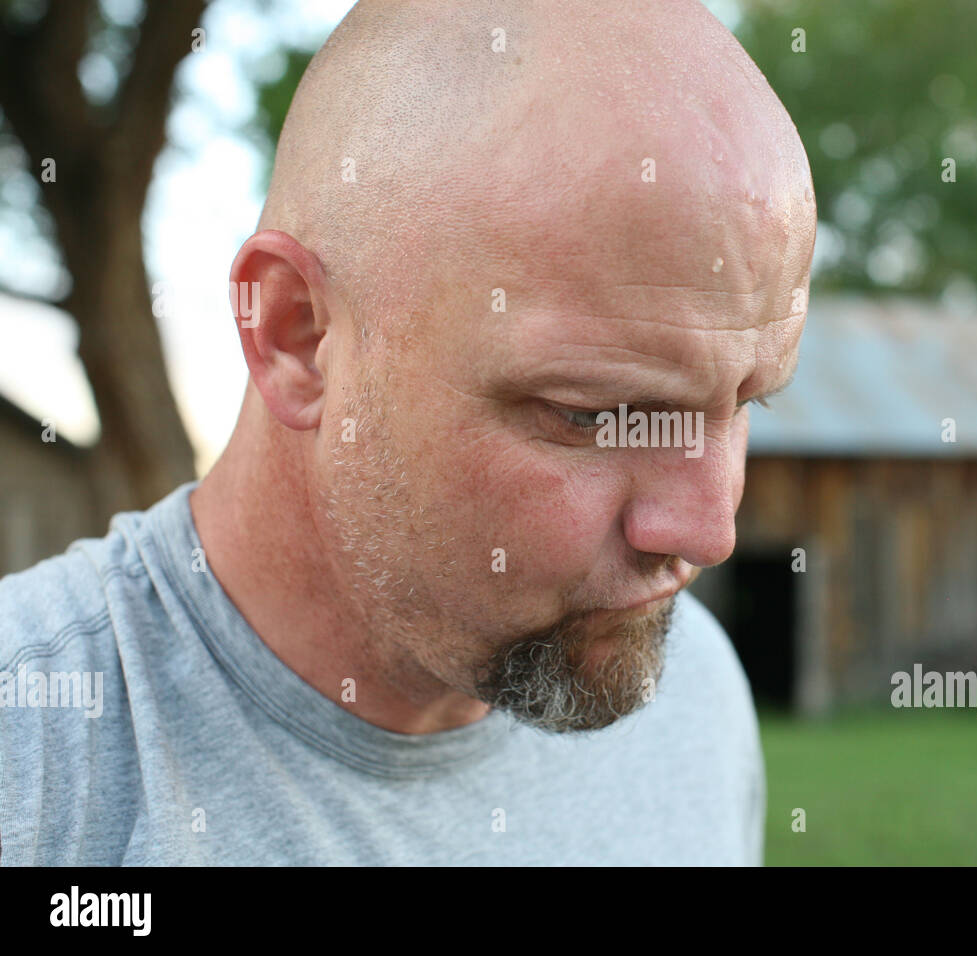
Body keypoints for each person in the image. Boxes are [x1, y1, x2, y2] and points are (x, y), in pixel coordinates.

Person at [0, 0, 816, 865]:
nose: (708, 532)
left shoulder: (692, 699)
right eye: (594, 414)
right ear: (297, 335)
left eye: (748, 400)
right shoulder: (38, 758)